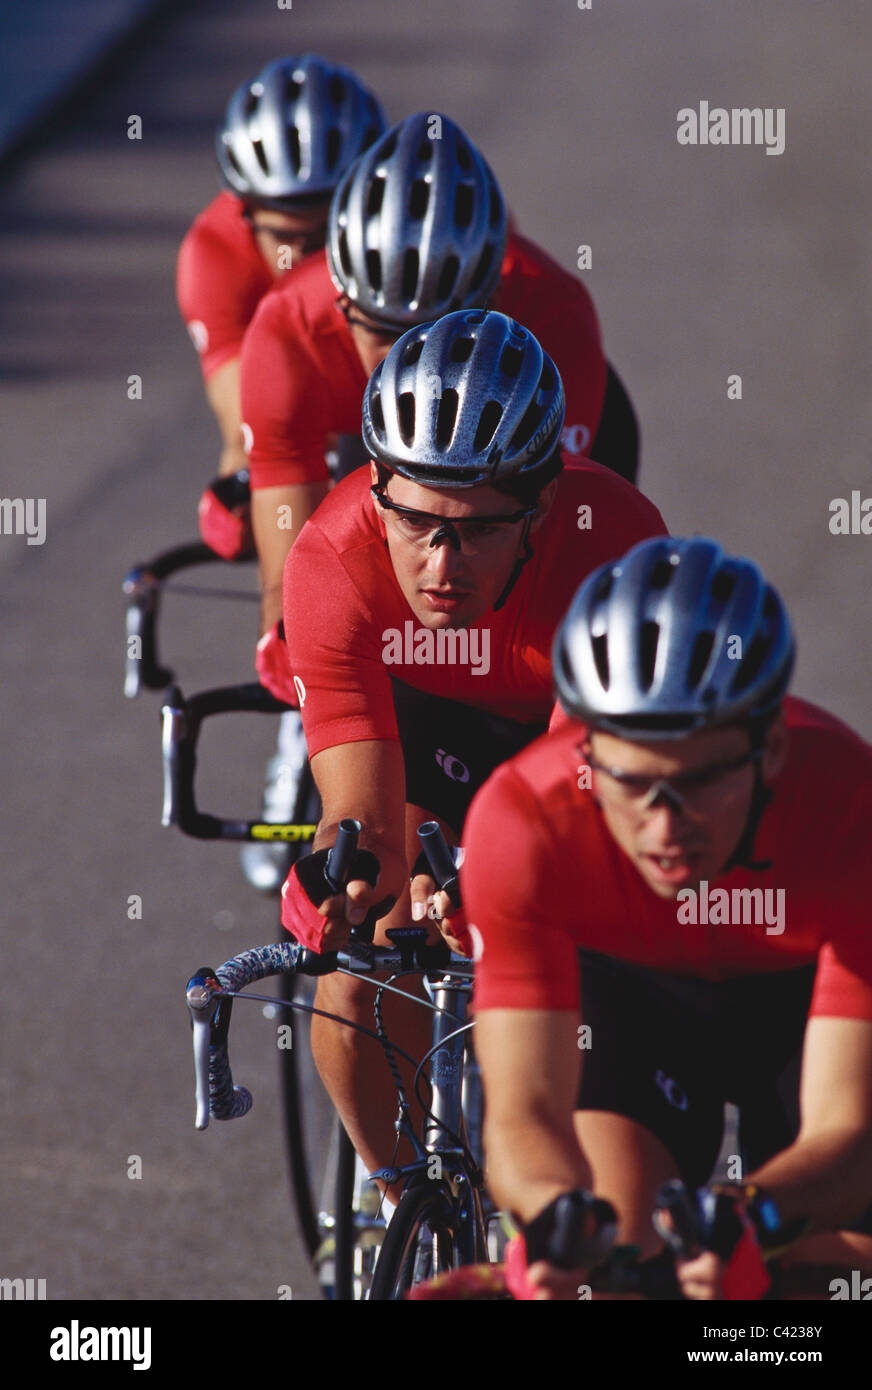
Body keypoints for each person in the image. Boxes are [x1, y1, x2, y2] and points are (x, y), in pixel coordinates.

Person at [278, 309, 667, 1181]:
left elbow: (584, 787)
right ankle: (397, 1203)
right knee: (362, 972)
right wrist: (341, 877)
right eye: (416, 523)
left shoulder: (617, 545)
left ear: (542, 508)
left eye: (482, 528)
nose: (443, 565)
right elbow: (360, 816)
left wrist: (488, 881)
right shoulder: (331, 562)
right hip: (426, 724)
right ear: (377, 486)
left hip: (563, 746)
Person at [454, 535, 872, 1299]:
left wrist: (752, 1216)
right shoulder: (522, 821)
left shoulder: (852, 809)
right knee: (618, 1250)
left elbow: (848, 1136)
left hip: (799, 1009)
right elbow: (522, 1116)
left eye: (700, 781)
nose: (664, 825)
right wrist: (554, 1219)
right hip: (639, 1003)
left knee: (815, 1271)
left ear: (770, 750)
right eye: (633, 782)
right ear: (586, 751)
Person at [241, 111, 641, 705]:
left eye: (446, 327)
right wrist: (294, 626)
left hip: (530, 448)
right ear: (341, 300)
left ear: (498, 295)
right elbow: (285, 527)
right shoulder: (287, 328)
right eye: (384, 332)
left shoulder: (554, 308)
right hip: (370, 450)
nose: (421, 354)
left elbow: (544, 537)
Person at [176, 55, 385, 889]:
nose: (309, 251)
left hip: (392, 388)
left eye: (330, 223)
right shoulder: (213, 253)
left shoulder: (399, 234)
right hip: (293, 401)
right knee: (297, 542)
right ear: (245, 211)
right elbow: (248, 426)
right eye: (287, 231)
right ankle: (307, 727)